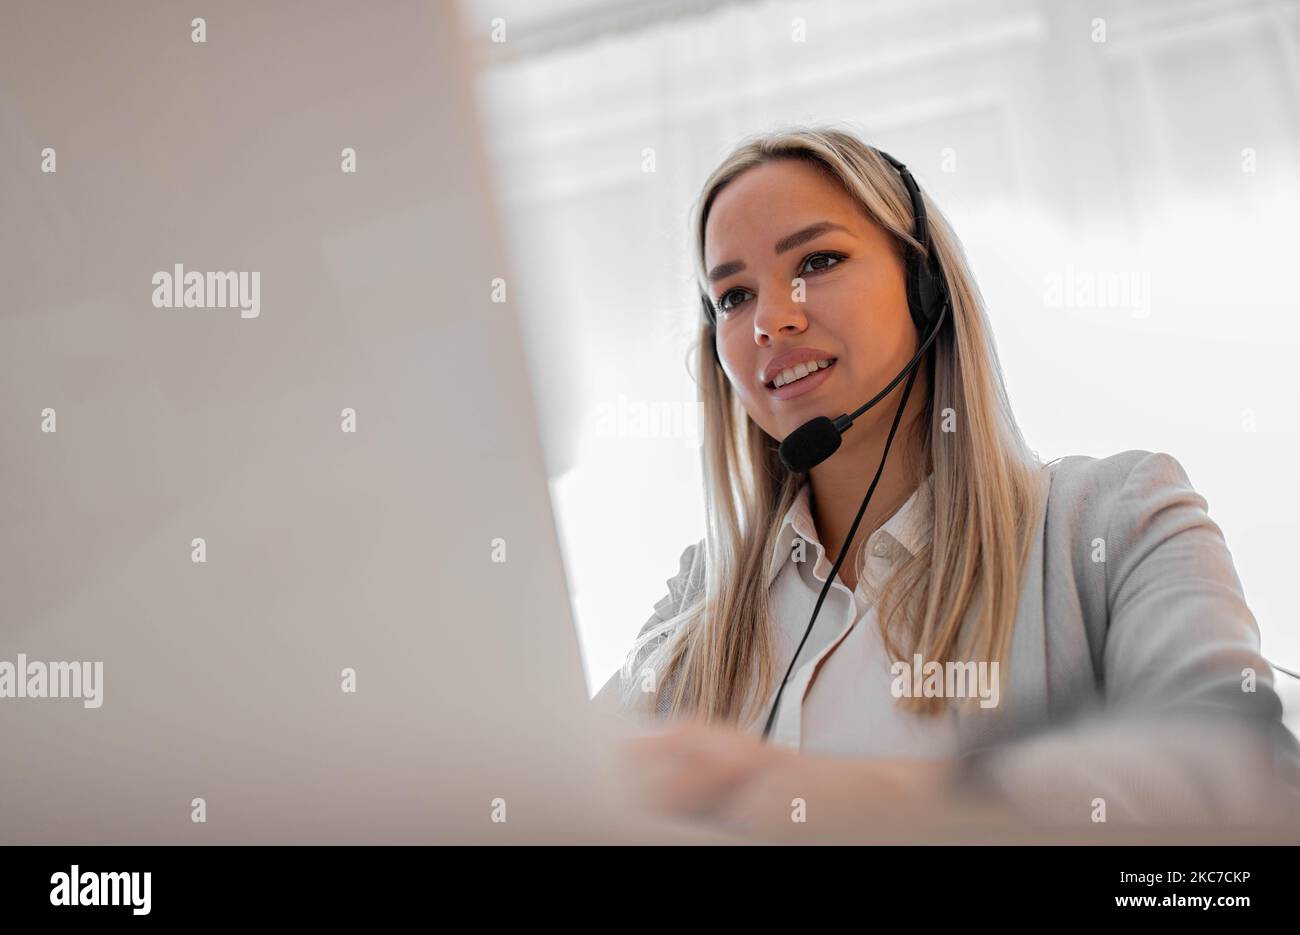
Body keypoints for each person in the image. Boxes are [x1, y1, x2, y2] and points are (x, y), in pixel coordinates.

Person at [591, 126, 1300, 841]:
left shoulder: (1114, 521)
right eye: (734, 296)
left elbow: (1245, 786)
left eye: (819, 258)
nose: (772, 320)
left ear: (924, 288)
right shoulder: (699, 600)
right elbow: (550, 793)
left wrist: (819, 796)